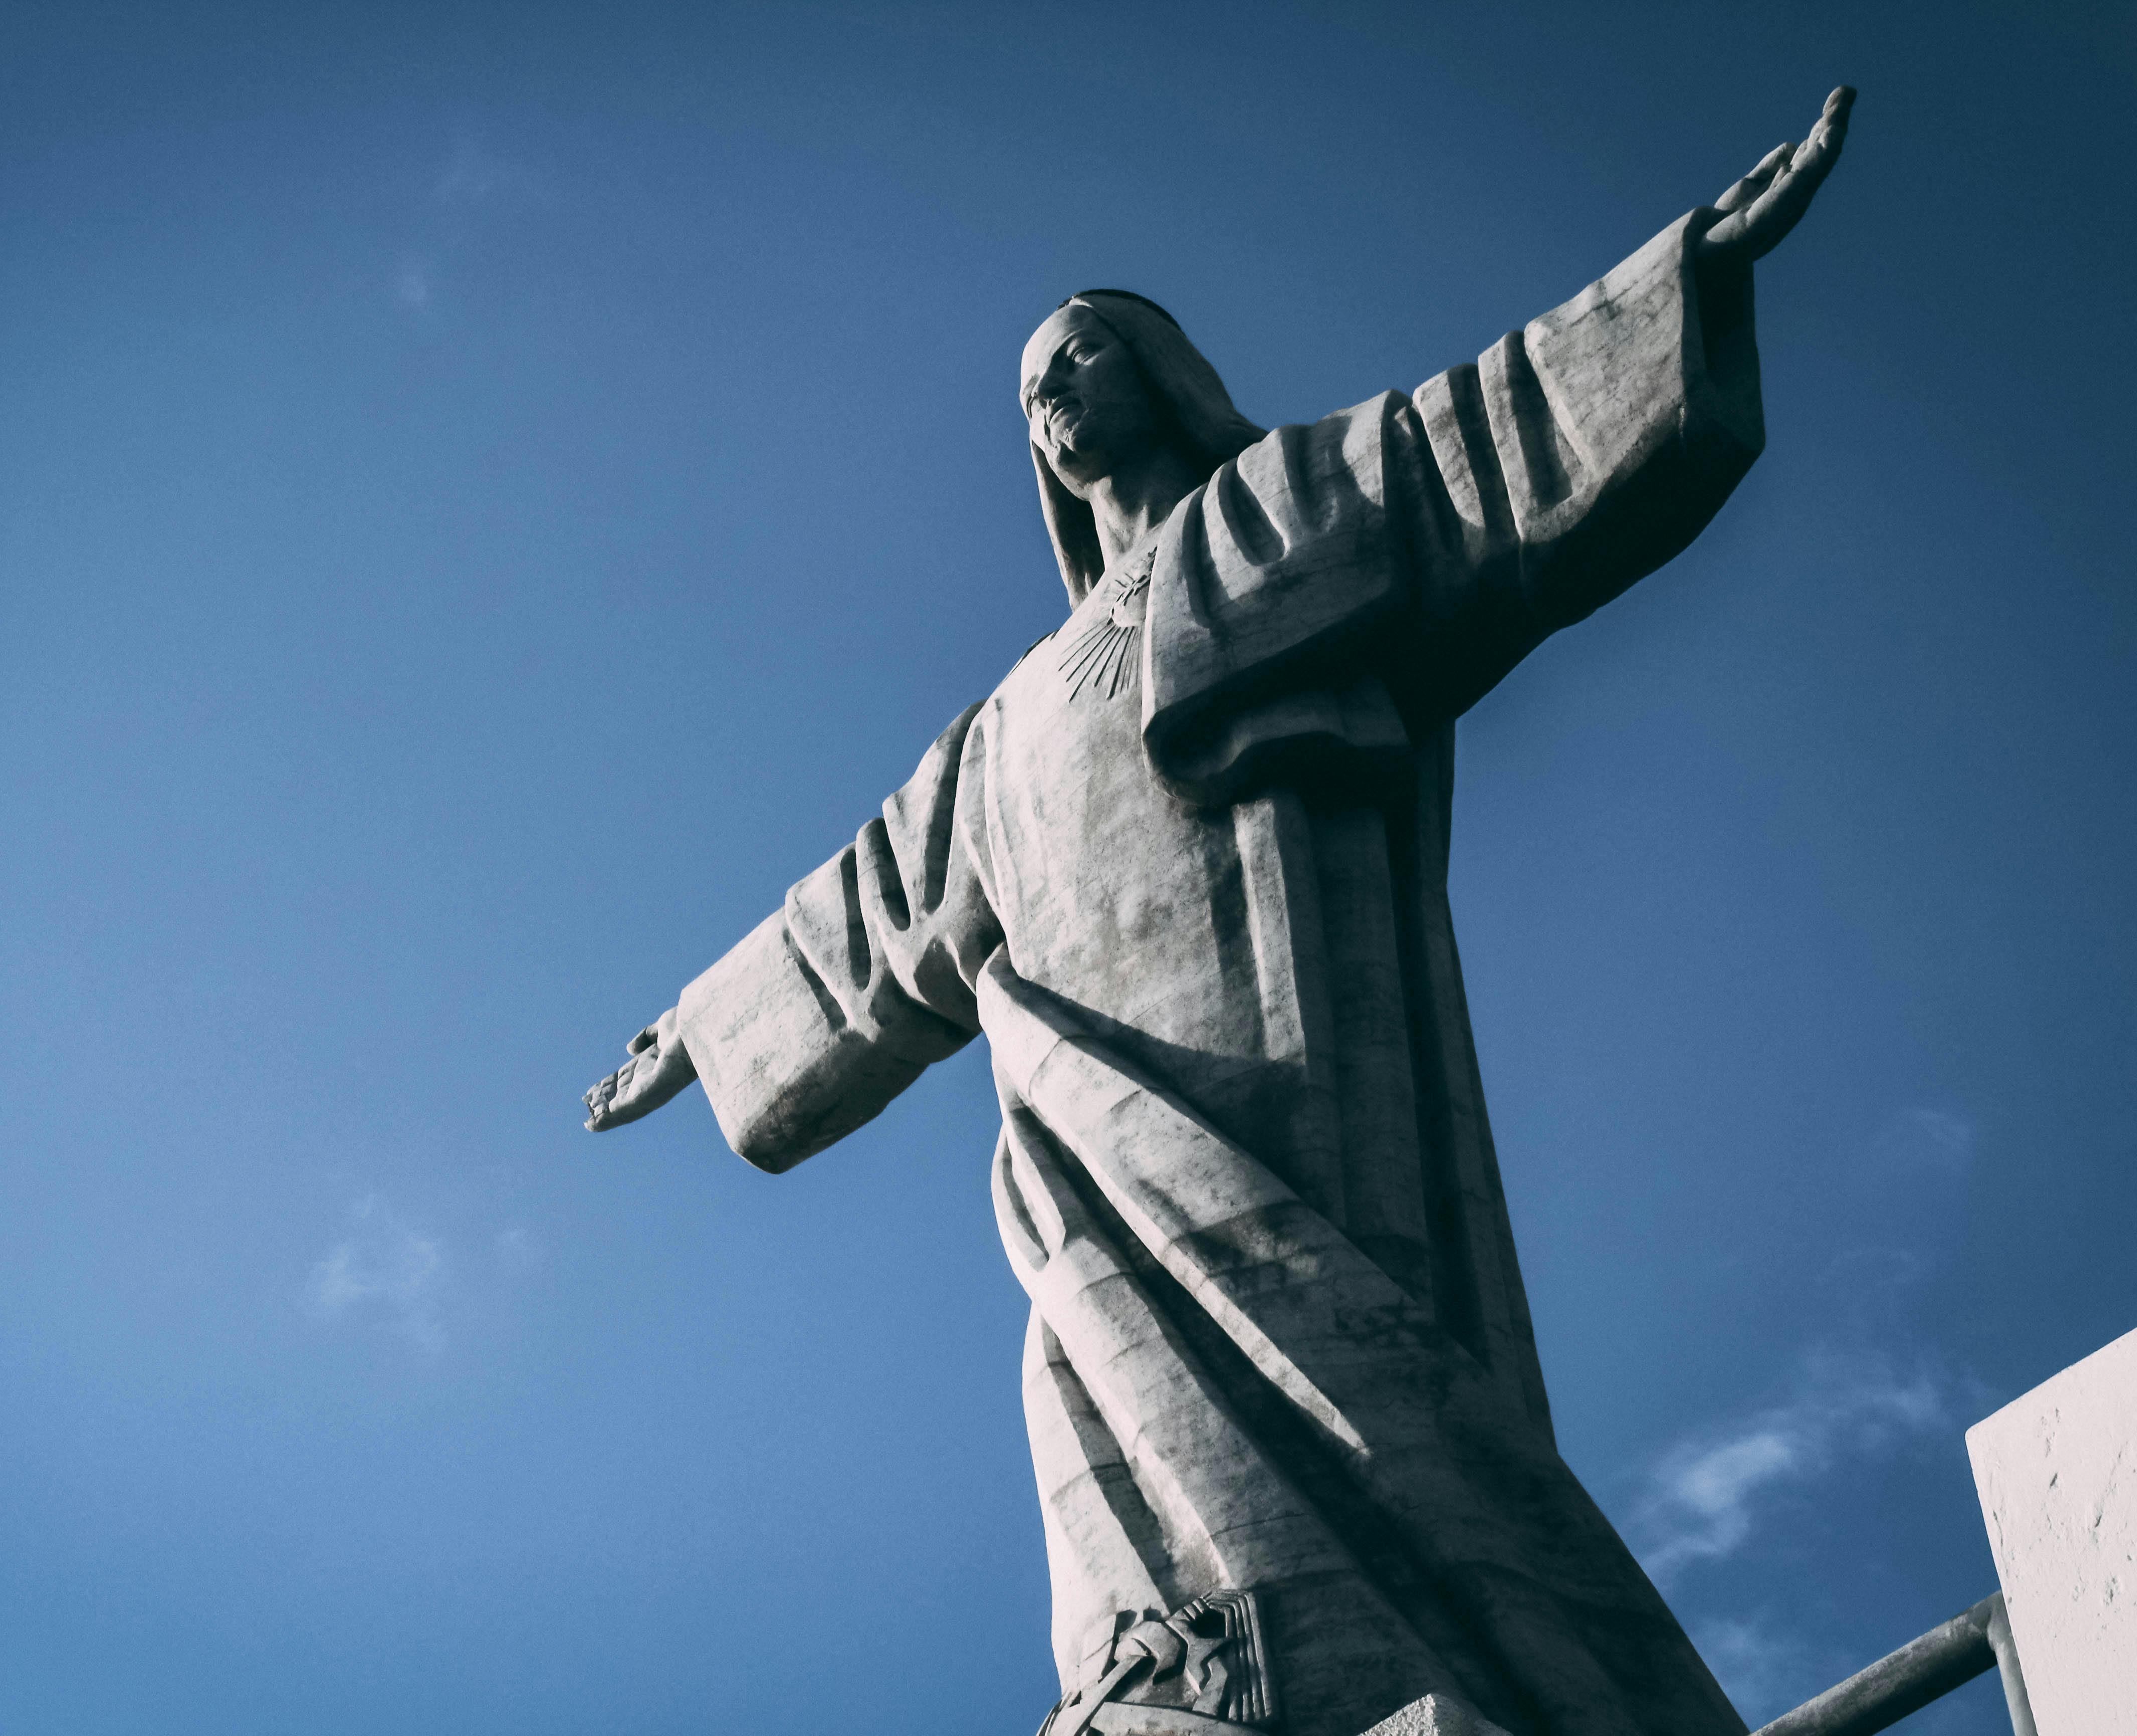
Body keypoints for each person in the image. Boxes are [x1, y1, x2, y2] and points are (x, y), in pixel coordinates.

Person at [586, 89, 1855, 1736]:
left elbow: (1480, 440)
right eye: (1031, 386)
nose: (1053, 390)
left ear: (1167, 378)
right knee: (1097, 1395)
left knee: (1344, 1342)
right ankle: (1166, 1689)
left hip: (1290, 1061)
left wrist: (1686, 274)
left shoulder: (1292, 513)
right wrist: (704, 1019)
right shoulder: (1006, 725)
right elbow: (869, 904)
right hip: (1080, 1136)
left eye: (1085, 352)